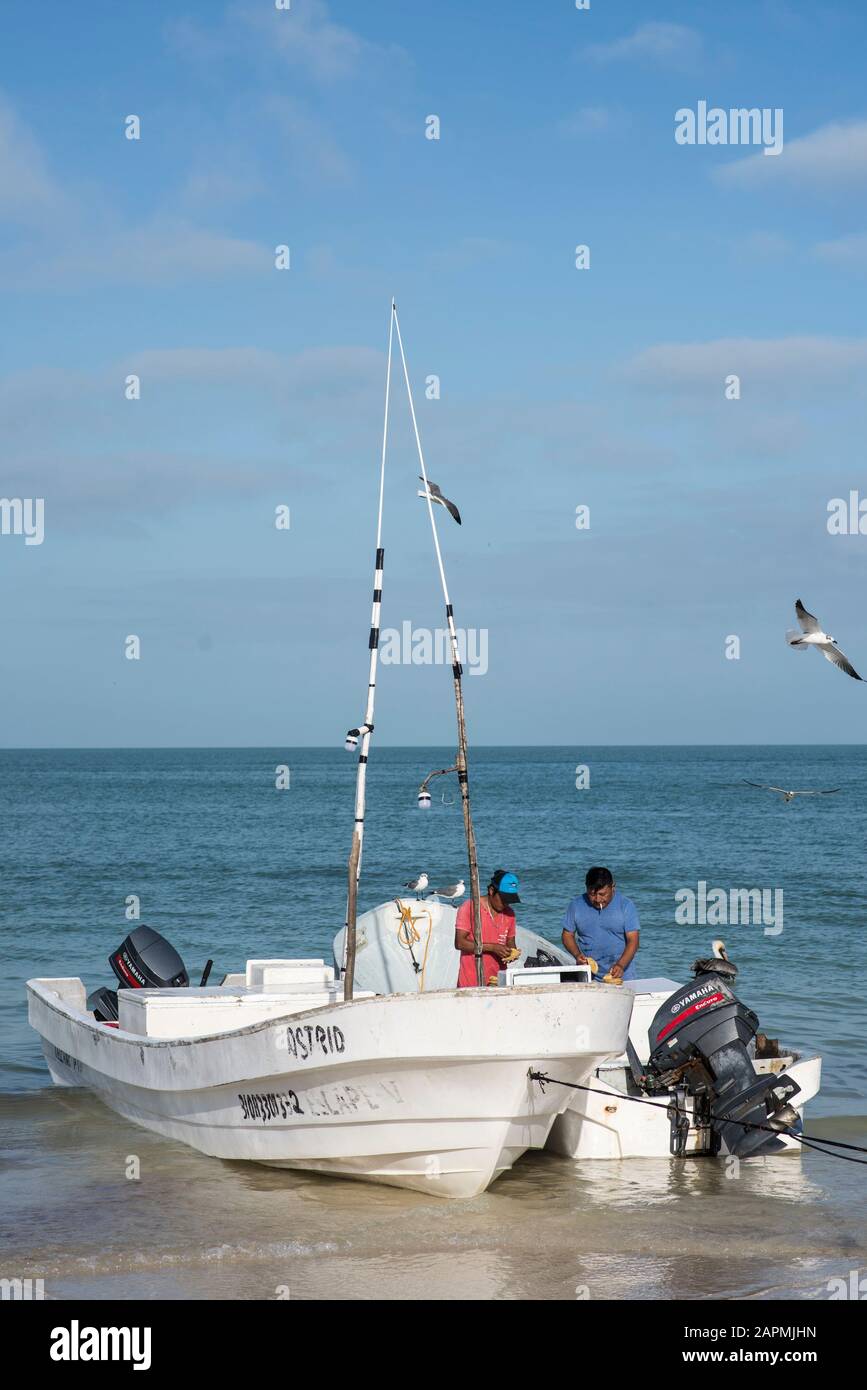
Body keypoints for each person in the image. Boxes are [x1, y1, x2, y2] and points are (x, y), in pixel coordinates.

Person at [562, 866, 639, 981]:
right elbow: (567, 935)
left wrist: (621, 965)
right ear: (586, 888)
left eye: (603, 894)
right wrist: (577, 955)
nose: (598, 900)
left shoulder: (626, 905)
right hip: (588, 975)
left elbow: (633, 940)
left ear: (613, 887)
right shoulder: (576, 905)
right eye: (592, 894)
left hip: (623, 975)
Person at [455, 870, 521, 987]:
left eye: (509, 900)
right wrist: (492, 948)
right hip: (471, 982)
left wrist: (511, 953)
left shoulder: (510, 914)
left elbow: (510, 943)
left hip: (497, 981)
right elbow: (460, 943)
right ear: (491, 891)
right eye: (503, 899)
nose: (506, 904)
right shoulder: (470, 907)